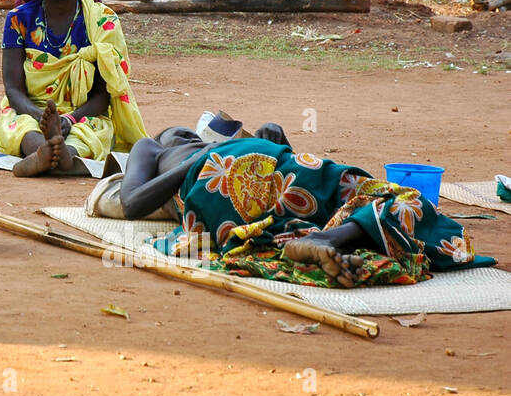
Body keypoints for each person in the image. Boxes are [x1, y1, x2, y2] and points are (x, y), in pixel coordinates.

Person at [112, 121, 496, 288]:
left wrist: (274, 138)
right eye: (179, 133)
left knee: (407, 201)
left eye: (192, 133)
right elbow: (131, 203)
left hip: (293, 173)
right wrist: (197, 159)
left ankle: (328, 238)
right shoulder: (155, 149)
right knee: (268, 215)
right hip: (216, 181)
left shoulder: (208, 142)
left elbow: (294, 201)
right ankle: (328, 240)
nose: (188, 134)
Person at [0, 0, 148, 177]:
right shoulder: (18, 18)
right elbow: (13, 89)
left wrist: (70, 120)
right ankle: (45, 152)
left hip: (83, 112)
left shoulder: (101, 20)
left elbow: (103, 94)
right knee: (19, 127)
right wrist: (43, 118)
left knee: (93, 132)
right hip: (31, 109)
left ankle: (61, 153)